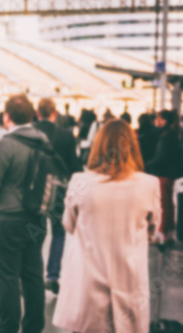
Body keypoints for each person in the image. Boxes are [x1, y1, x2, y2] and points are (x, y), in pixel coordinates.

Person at [52, 120, 162, 333]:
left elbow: (69, 224)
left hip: (87, 285)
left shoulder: (79, 181)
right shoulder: (149, 184)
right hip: (129, 282)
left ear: (98, 146)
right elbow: (152, 230)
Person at [0, 94, 48, 333]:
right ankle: (34, 327)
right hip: (37, 219)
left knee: (7, 276)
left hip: (7, 220)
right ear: (31, 117)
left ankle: (7, 327)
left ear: (7, 117)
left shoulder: (5, 145)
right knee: (32, 275)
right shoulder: (44, 143)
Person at [33, 98, 82, 294]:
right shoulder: (66, 136)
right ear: (55, 114)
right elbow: (75, 168)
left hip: (34, 192)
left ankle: (33, 275)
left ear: (38, 114)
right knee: (59, 233)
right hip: (59, 191)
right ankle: (52, 276)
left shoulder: (29, 133)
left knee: (35, 233)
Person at [145, 110, 183, 242]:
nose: (155, 121)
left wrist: (147, 164)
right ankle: (169, 232)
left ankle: (161, 233)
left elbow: (160, 158)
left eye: (158, 119)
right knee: (169, 204)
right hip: (171, 173)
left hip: (163, 172)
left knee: (163, 204)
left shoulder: (166, 136)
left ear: (164, 121)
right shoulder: (173, 134)